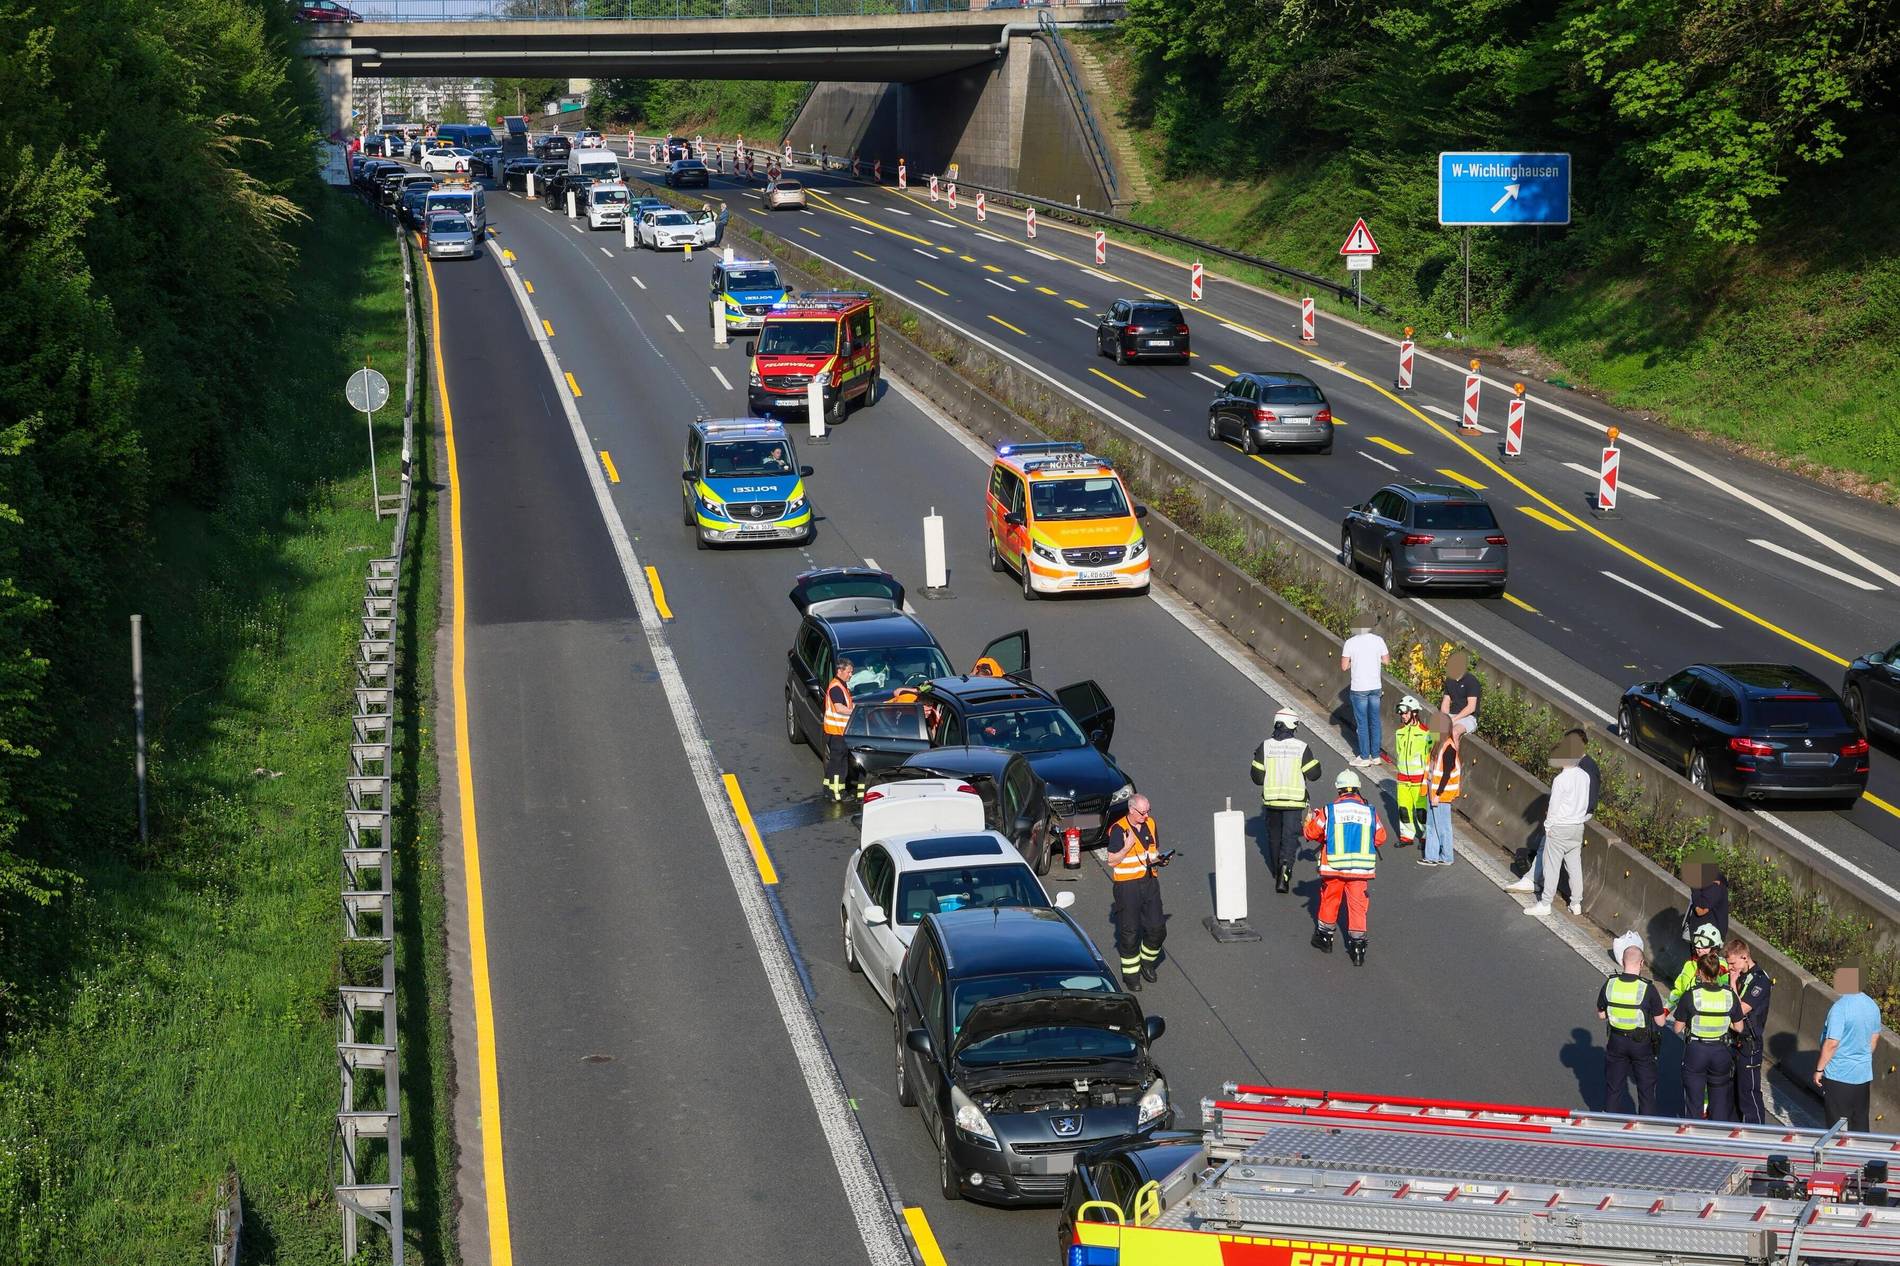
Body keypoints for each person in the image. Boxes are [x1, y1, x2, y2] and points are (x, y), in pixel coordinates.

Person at [1304, 769, 1386, 965]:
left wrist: (1308, 820)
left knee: (1330, 900)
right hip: (1360, 870)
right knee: (1358, 907)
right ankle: (1358, 947)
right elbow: (1381, 837)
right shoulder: (1370, 811)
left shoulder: (1329, 810)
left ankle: (1325, 939)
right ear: (1357, 788)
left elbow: (1311, 833)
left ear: (1339, 789)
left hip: (1333, 867)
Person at [1251, 707, 1321, 893]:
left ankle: (1275, 869)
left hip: (1272, 801)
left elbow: (1257, 778)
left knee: (1274, 837)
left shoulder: (1264, 746)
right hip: (1294, 801)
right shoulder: (1301, 748)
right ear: (1293, 726)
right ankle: (1284, 871)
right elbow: (1314, 775)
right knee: (1289, 837)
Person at [1597, 936, 1668, 1114]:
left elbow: (1601, 1014)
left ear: (1622, 961)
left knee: (1614, 1086)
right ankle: (1645, 1125)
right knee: (1646, 1089)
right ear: (1642, 963)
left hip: (1616, 1041)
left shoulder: (1610, 984)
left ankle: (1609, 1122)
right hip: (1641, 1044)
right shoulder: (1648, 988)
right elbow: (1660, 1022)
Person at [1104, 796, 1166, 991]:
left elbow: (1152, 853)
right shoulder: (1118, 830)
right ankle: (1131, 975)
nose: (1147, 815)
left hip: (1149, 882)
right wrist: (1127, 846)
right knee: (1130, 933)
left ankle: (1147, 963)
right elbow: (1112, 861)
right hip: (1127, 887)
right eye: (1142, 812)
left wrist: (1160, 860)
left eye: (1148, 811)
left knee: (1157, 928)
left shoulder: (1151, 823)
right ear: (1131, 810)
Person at [1526, 733, 1591, 917]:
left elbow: (1553, 806)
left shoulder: (1561, 780)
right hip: (1578, 827)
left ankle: (1546, 903)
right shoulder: (1584, 776)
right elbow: (1586, 802)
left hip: (1560, 826)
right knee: (1574, 866)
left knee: (1552, 865)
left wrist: (1548, 826)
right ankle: (1576, 903)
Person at [1674, 953, 1742, 1120]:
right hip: (1721, 1051)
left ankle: (1695, 1140)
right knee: (1719, 1101)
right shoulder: (1729, 995)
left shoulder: (1692, 995)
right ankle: (1717, 1139)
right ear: (1719, 972)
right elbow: (1739, 1027)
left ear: (1699, 972)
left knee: (1694, 1101)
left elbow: (1677, 1028)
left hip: (1696, 1051)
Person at [1816, 966, 1880, 1132]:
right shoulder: (1872, 1005)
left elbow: (1832, 1043)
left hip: (1839, 1075)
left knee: (1838, 1127)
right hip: (1863, 1075)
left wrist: (1819, 1069)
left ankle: (1840, 1158)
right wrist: (1859, 1057)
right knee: (1859, 1121)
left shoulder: (1840, 1007)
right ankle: (1860, 1156)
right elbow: (1874, 1039)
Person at [1727, 938, 1771, 1124]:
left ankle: (1758, 1131)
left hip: (1749, 1043)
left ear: (1744, 957)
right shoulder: (1741, 975)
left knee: (1749, 1092)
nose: (1730, 967)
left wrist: (1732, 983)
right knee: (1732, 1090)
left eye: (1733, 963)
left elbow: (1740, 1010)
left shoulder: (1760, 981)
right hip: (1733, 1040)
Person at [1339, 623, 1390, 767]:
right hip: (1375, 687)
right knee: (1374, 721)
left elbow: (1344, 667)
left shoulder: (1350, 643)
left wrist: (1354, 663)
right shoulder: (1378, 640)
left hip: (1359, 688)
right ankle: (1376, 756)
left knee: (1362, 723)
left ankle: (1364, 756)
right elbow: (1386, 661)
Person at [1391, 696, 1431, 847]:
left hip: (1419, 779)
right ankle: (1406, 836)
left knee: (1421, 811)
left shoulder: (1426, 733)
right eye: (1401, 713)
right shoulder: (1399, 732)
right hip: (1403, 778)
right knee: (1403, 809)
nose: (1403, 716)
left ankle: (1426, 836)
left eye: (1405, 713)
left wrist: (1426, 779)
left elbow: (1430, 756)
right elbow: (1399, 752)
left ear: (1414, 713)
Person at [1422, 715, 1461, 866]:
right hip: (1433, 791)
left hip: (1441, 794)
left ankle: (1447, 856)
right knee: (1431, 825)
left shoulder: (1449, 748)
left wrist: (1438, 795)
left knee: (1443, 826)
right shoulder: (1439, 744)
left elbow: (1446, 774)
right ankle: (1431, 856)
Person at [821, 657, 856, 803]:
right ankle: (838, 793)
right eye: (849, 672)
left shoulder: (841, 686)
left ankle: (828, 790)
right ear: (840, 671)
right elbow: (839, 708)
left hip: (835, 732)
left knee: (834, 763)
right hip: (837, 733)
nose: (851, 675)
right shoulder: (836, 687)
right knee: (839, 764)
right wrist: (854, 711)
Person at [1668, 924, 1729, 1008]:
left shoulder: (1722, 966)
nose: (1699, 949)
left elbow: (1726, 994)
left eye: (1704, 946)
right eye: (1697, 945)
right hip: (1689, 1014)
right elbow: (1678, 991)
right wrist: (1665, 1011)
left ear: (1714, 947)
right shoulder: (1689, 964)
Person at [1439, 650, 1481, 736]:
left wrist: (1454, 719)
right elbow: (1446, 702)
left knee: (1454, 732)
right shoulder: (1449, 680)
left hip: (1468, 717)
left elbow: (1471, 707)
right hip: (1452, 715)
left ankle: (1455, 750)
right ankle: (1437, 750)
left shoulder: (1471, 681)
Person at [1688, 862, 1730, 940]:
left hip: (1707, 939)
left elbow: (1700, 911)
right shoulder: (1708, 886)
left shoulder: (1714, 888)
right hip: (1703, 936)